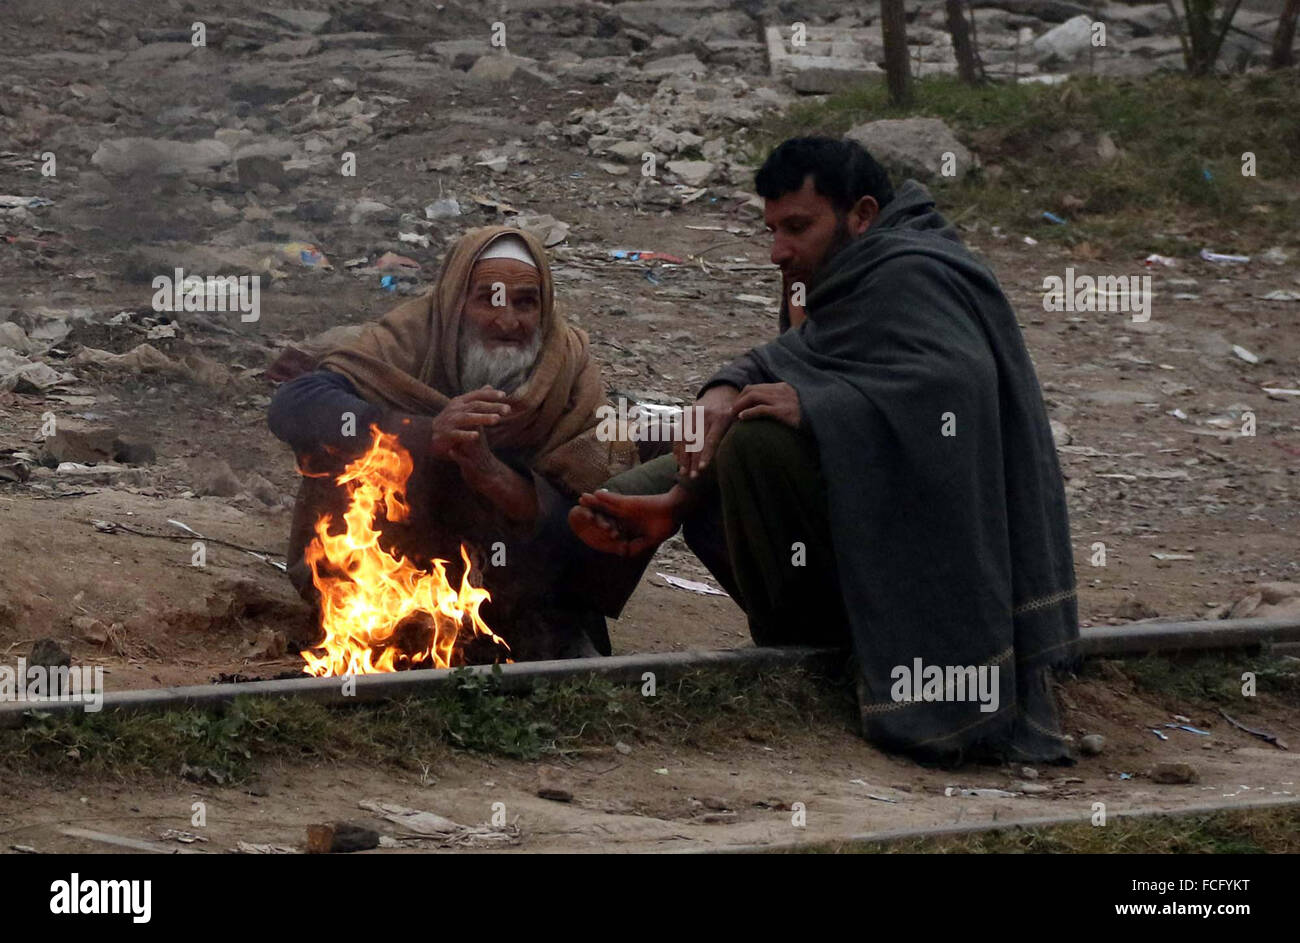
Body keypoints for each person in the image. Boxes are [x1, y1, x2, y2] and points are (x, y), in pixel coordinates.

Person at [570, 137, 1079, 764]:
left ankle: (820, 654)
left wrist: (817, 406)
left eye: (797, 227)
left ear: (861, 214)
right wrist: (720, 395)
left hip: (930, 542)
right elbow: (793, 360)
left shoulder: (914, 273)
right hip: (865, 511)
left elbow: (953, 390)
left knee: (758, 442)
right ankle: (581, 606)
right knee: (685, 454)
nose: (778, 249)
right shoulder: (829, 275)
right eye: (772, 229)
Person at [269, 225, 640, 661]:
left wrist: (495, 477)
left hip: (516, 582)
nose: (508, 321)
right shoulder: (412, 335)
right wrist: (423, 435)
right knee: (354, 452)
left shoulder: (568, 367)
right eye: (490, 299)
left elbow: (591, 512)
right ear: (456, 300)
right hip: (395, 557)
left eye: (526, 303)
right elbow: (293, 406)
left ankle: (528, 639)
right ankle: (381, 623)